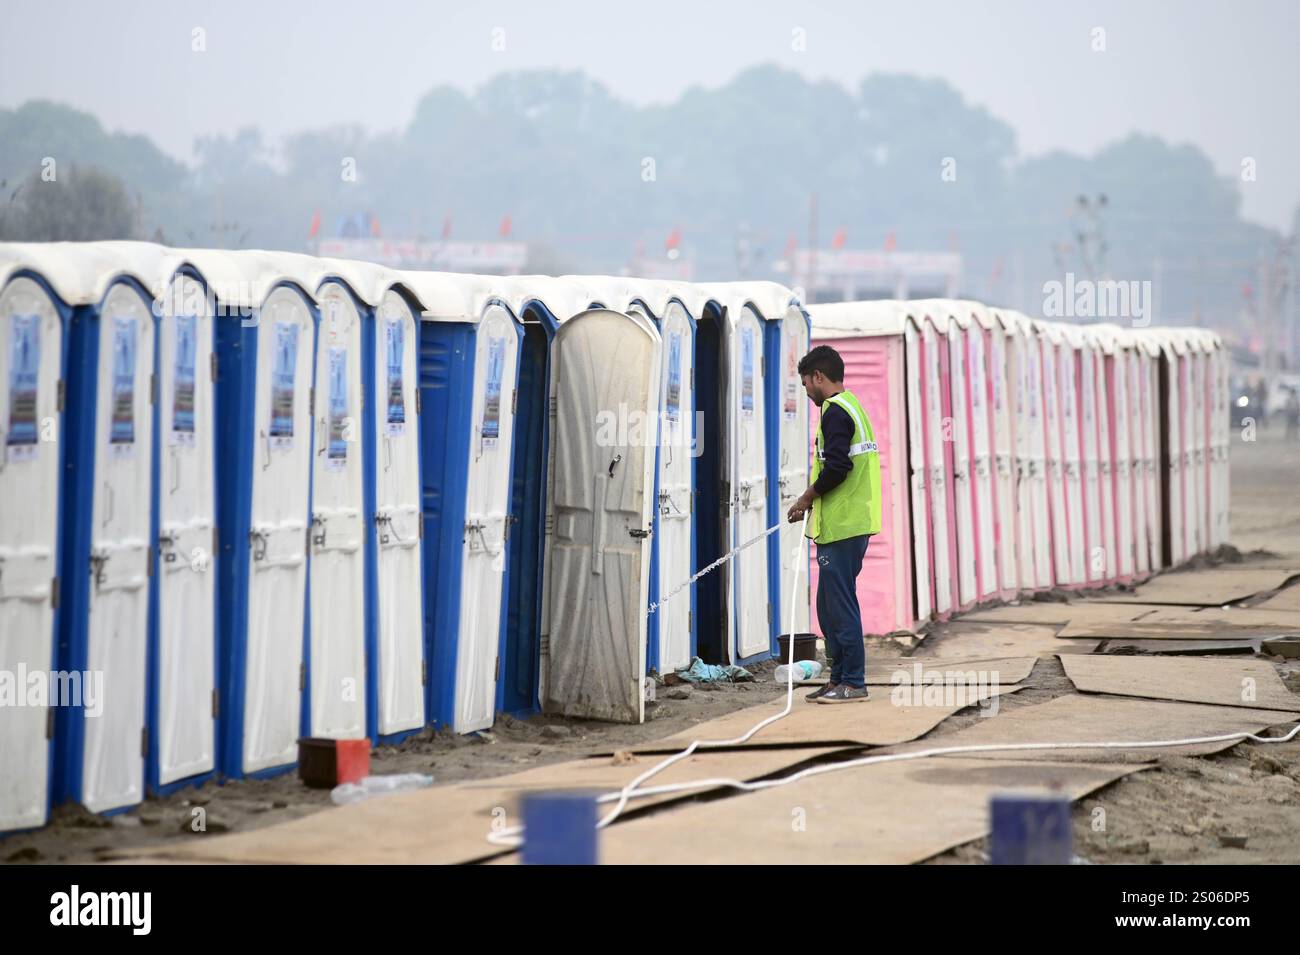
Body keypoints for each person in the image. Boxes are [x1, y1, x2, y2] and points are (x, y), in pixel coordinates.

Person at [786, 345, 882, 704]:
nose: (807, 390)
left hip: (845, 525)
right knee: (828, 604)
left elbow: (839, 468)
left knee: (840, 605)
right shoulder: (852, 405)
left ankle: (854, 682)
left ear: (819, 378)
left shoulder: (835, 411)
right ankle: (838, 678)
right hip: (844, 524)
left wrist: (807, 497)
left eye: (806, 382)